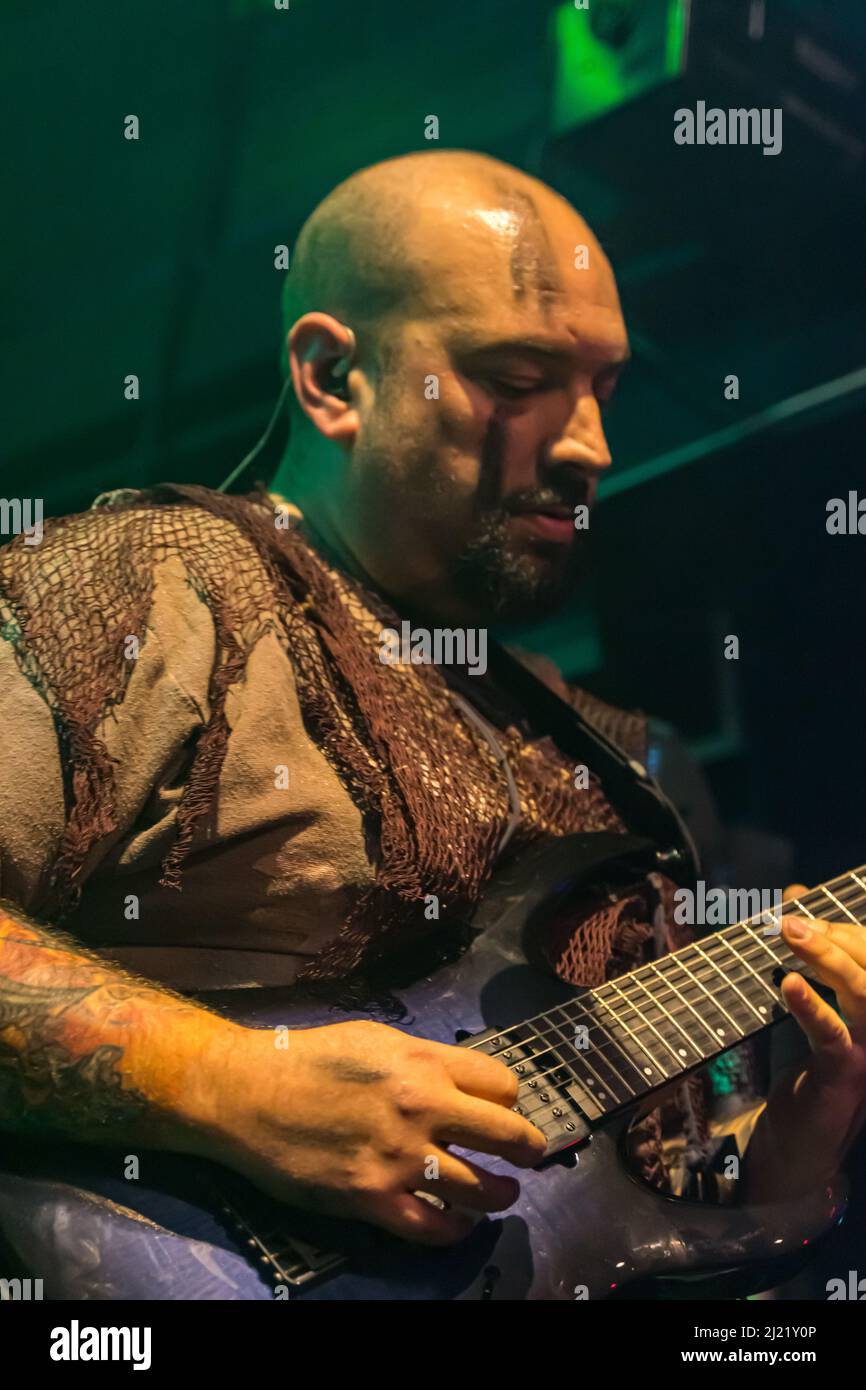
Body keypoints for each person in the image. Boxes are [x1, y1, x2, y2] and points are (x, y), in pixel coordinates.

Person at [0, 150, 864, 1254]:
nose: (588, 446)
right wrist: (232, 1088)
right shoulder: (154, 586)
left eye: (602, 388)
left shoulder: (610, 756)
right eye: (514, 380)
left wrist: (809, 1118)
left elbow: (669, 1194)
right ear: (329, 377)